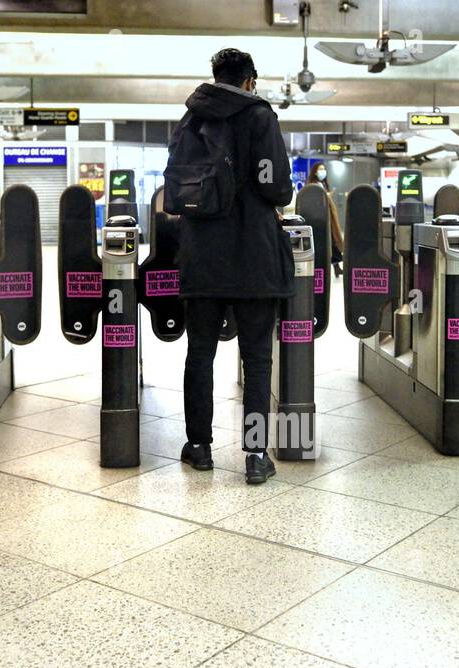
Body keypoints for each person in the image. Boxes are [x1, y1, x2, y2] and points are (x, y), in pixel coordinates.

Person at [171, 48, 294, 485]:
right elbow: (276, 187)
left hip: (202, 253)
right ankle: (256, 455)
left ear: (215, 76)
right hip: (253, 255)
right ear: (249, 81)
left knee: (200, 354)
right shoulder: (260, 116)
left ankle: (199, 447)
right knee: (258, 359)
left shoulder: (190, 118)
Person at [304, 162, 344, 277]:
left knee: (333, 242)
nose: (323, 171)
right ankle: (335, 267)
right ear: (315, 172)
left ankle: (336, 267)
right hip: (321, 219)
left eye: (324, 169)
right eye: (320, 169)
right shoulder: (313, 185)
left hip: (327, 218)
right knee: (331, 242)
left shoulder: (322, 184)